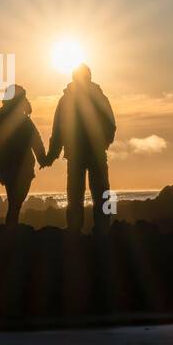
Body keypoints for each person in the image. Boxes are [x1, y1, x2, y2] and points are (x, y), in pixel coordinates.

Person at [44, 64, 116, 234]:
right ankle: (96, 227)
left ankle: (78, 228)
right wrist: (104, 143)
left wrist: (52, 155)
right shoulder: (96, 97)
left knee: (82, 193)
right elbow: (111, 124)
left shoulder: (70, 99)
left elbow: (58, 130)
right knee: (98, 192)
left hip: (81, 153)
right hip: (87, 153)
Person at [0, 84, 48, 226]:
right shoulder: (24, 121)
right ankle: (11, 235)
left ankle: (11, 233)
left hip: (8, 170)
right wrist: (43, 160)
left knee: (14, 204)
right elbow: (36, 141)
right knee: (15, 206)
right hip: (22, 170)